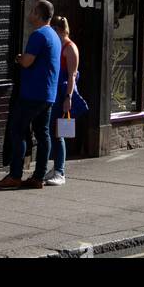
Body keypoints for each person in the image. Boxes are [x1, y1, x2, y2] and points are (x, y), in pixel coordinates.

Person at [0, 0, 62, 190]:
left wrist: (19, 58)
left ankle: (15, 175)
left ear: (38, 14)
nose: (30, 14)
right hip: (48, 93)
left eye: (32, 11)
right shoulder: (54, 35)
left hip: (32, 94)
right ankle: (38, 177)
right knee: (42, 134)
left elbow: (27, 62)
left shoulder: (38, 35)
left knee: (18, 130)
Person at [46, 16, 85, 186]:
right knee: (50, 130)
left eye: (53, 29)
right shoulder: (57, 45)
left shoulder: (70, 48)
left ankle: (60, 172)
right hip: (53, 93)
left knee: (58, 132)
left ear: (59, 29)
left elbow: (72, 76)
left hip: (62, 94)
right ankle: (55, 167)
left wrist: (68, 98)